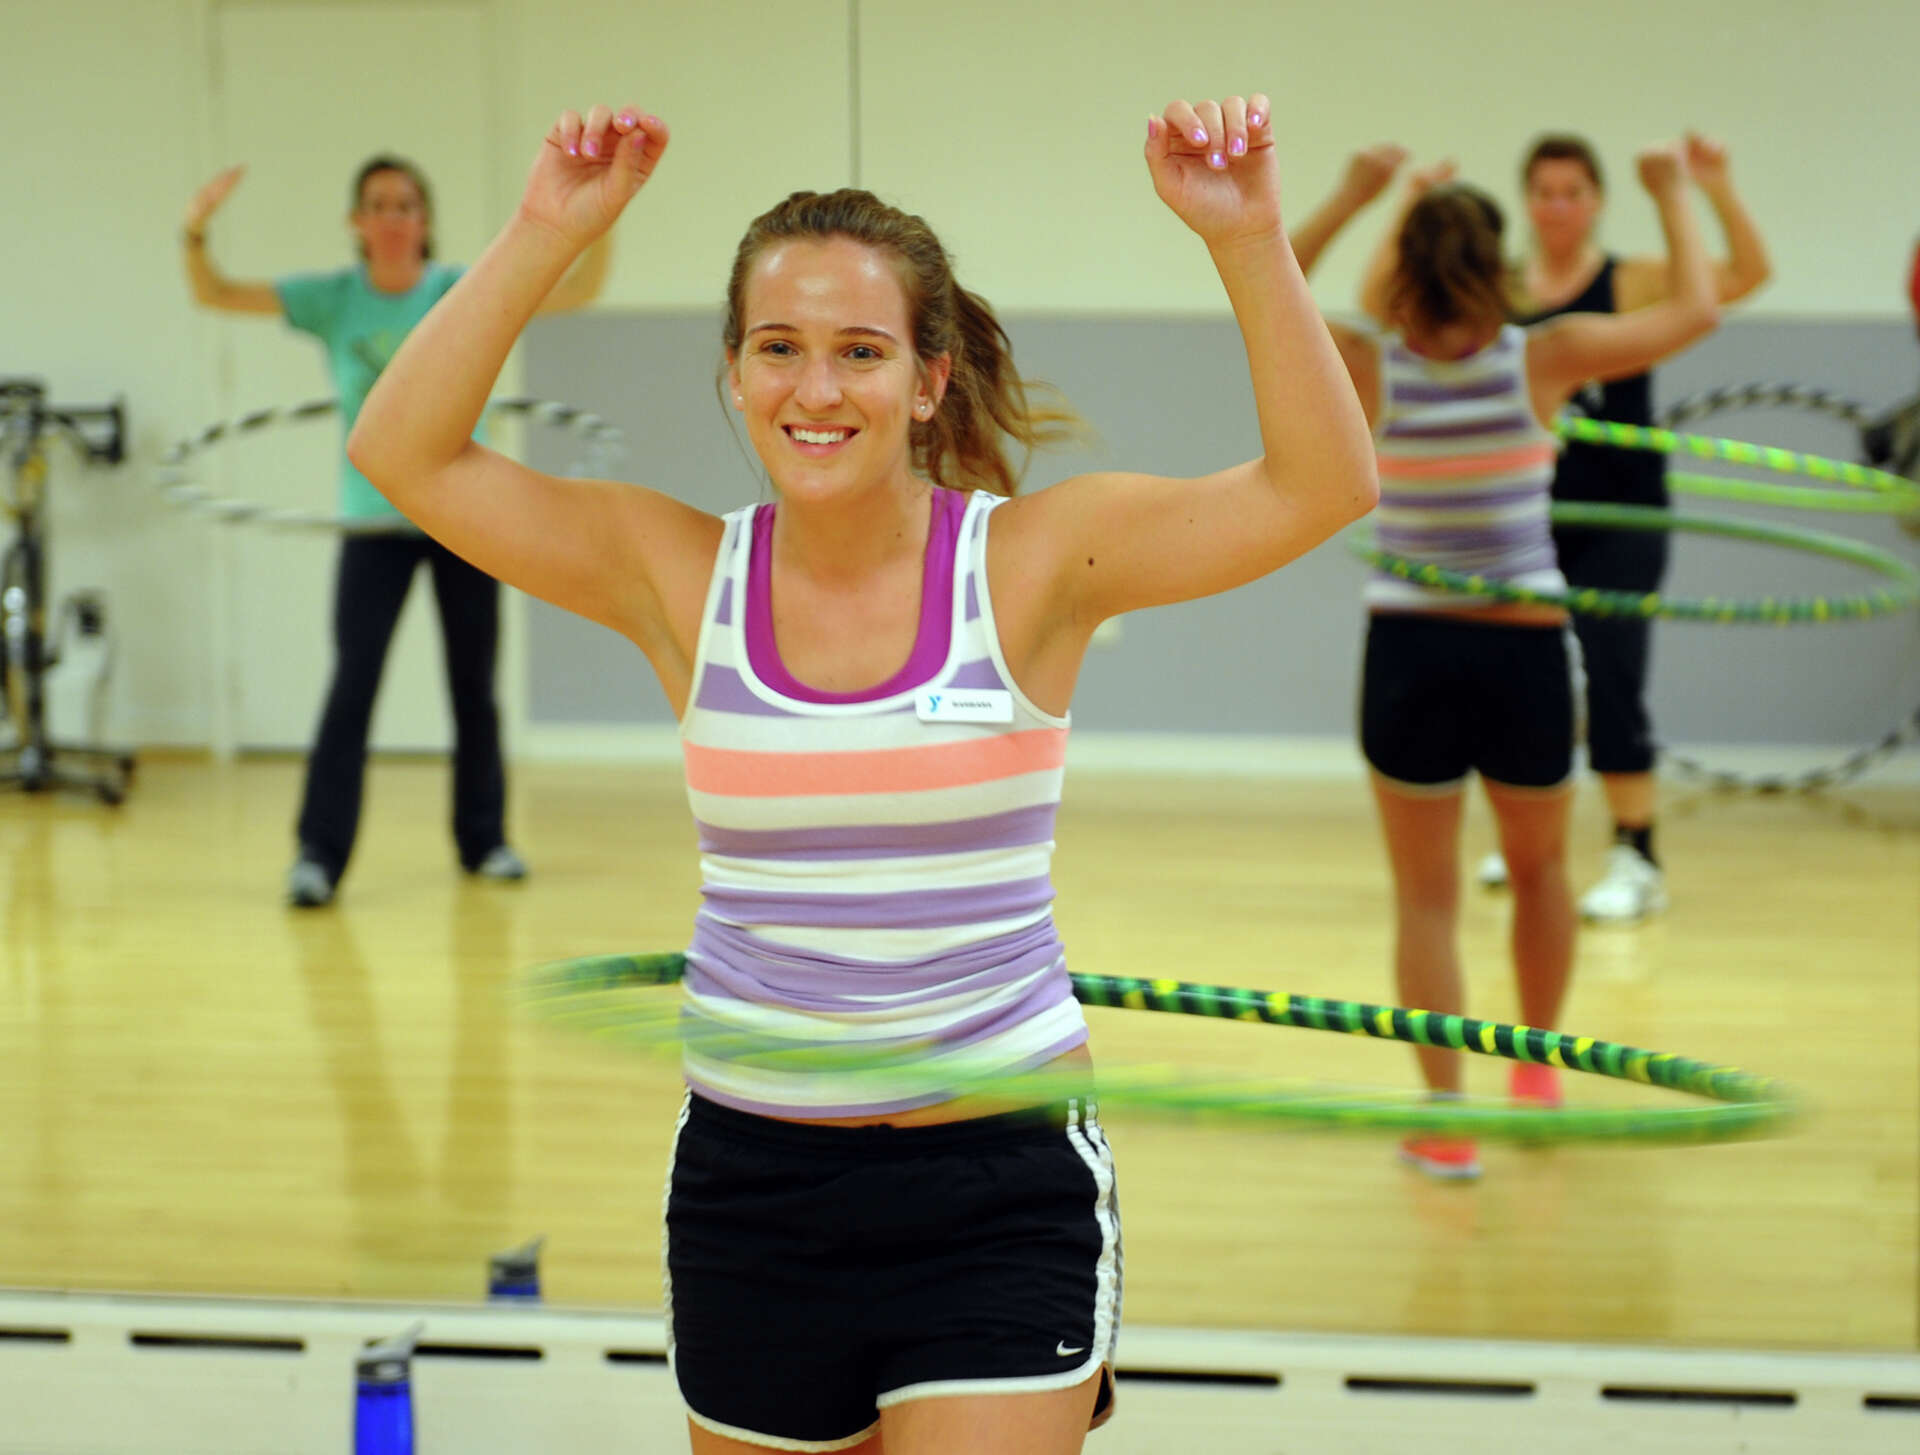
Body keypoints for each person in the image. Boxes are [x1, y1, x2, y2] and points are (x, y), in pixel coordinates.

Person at [347, 96, 1376, 1454]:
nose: (816, 390)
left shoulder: (1030, 562)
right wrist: (548, 228)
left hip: (993, 1182)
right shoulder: (678, 574)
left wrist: (1249, 241)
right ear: (733, 370)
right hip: (755, 1188)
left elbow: (1324, 482)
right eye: (778, 348)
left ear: (928, 377)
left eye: (859, 351)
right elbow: (398, 451)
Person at [1291, 141, 1719, 1178]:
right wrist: (1672, 191)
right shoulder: (1544, 357)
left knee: (1429, 900)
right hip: (1525, 655)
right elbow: (1698, 310)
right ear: (1498, 271)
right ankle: (1535, 1079)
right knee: (1539, 875)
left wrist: (1359, 190)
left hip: (1408, 655)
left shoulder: (1364, 360)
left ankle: (1447, 1122)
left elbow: (1267, 282)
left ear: (1404, 272)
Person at [1354, 132, 1770, 924]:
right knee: (1525, 682)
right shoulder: (1494, 287)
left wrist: (1700, 189)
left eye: (1573, 191)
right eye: (1542, 191)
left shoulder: (1628, 279)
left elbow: (1742, 279)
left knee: (1610, 672)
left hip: (1620, 506)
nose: (1557, 207)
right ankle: (1530, 842)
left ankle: (1633, 849)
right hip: (1525, 515)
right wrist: (1411, 201)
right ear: (1524, 204)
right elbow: (1389, 306)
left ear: (1597, 201)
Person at [181, 155, 613, 906]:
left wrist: (597, 219)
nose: (392, 218)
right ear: (357, 221)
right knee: (352, 685)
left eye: (406, 204)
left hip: (466, 518)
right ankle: (317, 855)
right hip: (373, 519)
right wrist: (194, 229)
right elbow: (214, 291)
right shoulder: (332, 299)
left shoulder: (459, 290)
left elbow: (578, 291)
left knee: (474, 686)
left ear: (425, 218)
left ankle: (486, 842)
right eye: (378, 205)